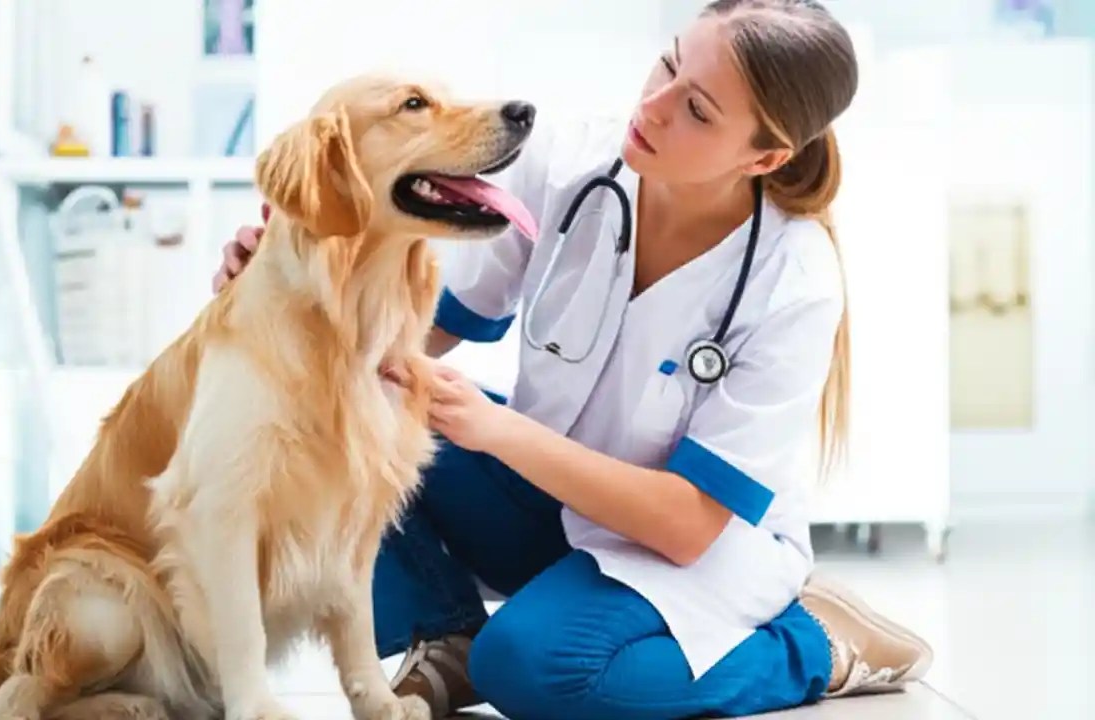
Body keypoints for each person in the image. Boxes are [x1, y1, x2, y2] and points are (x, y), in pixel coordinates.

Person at [213, 1, 933, 717]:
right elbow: (404, 341)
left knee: (535, 668)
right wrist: (285, 283)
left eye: (698, 110)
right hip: (545, 504)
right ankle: (447, 635)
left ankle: (813, 645)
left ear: (766, 156)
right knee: (348, 425)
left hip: (688, 556)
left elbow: (690, 524)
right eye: (669, 64)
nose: (653, 105)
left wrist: (497, 431)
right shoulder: (568, 166)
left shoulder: (792, 281)